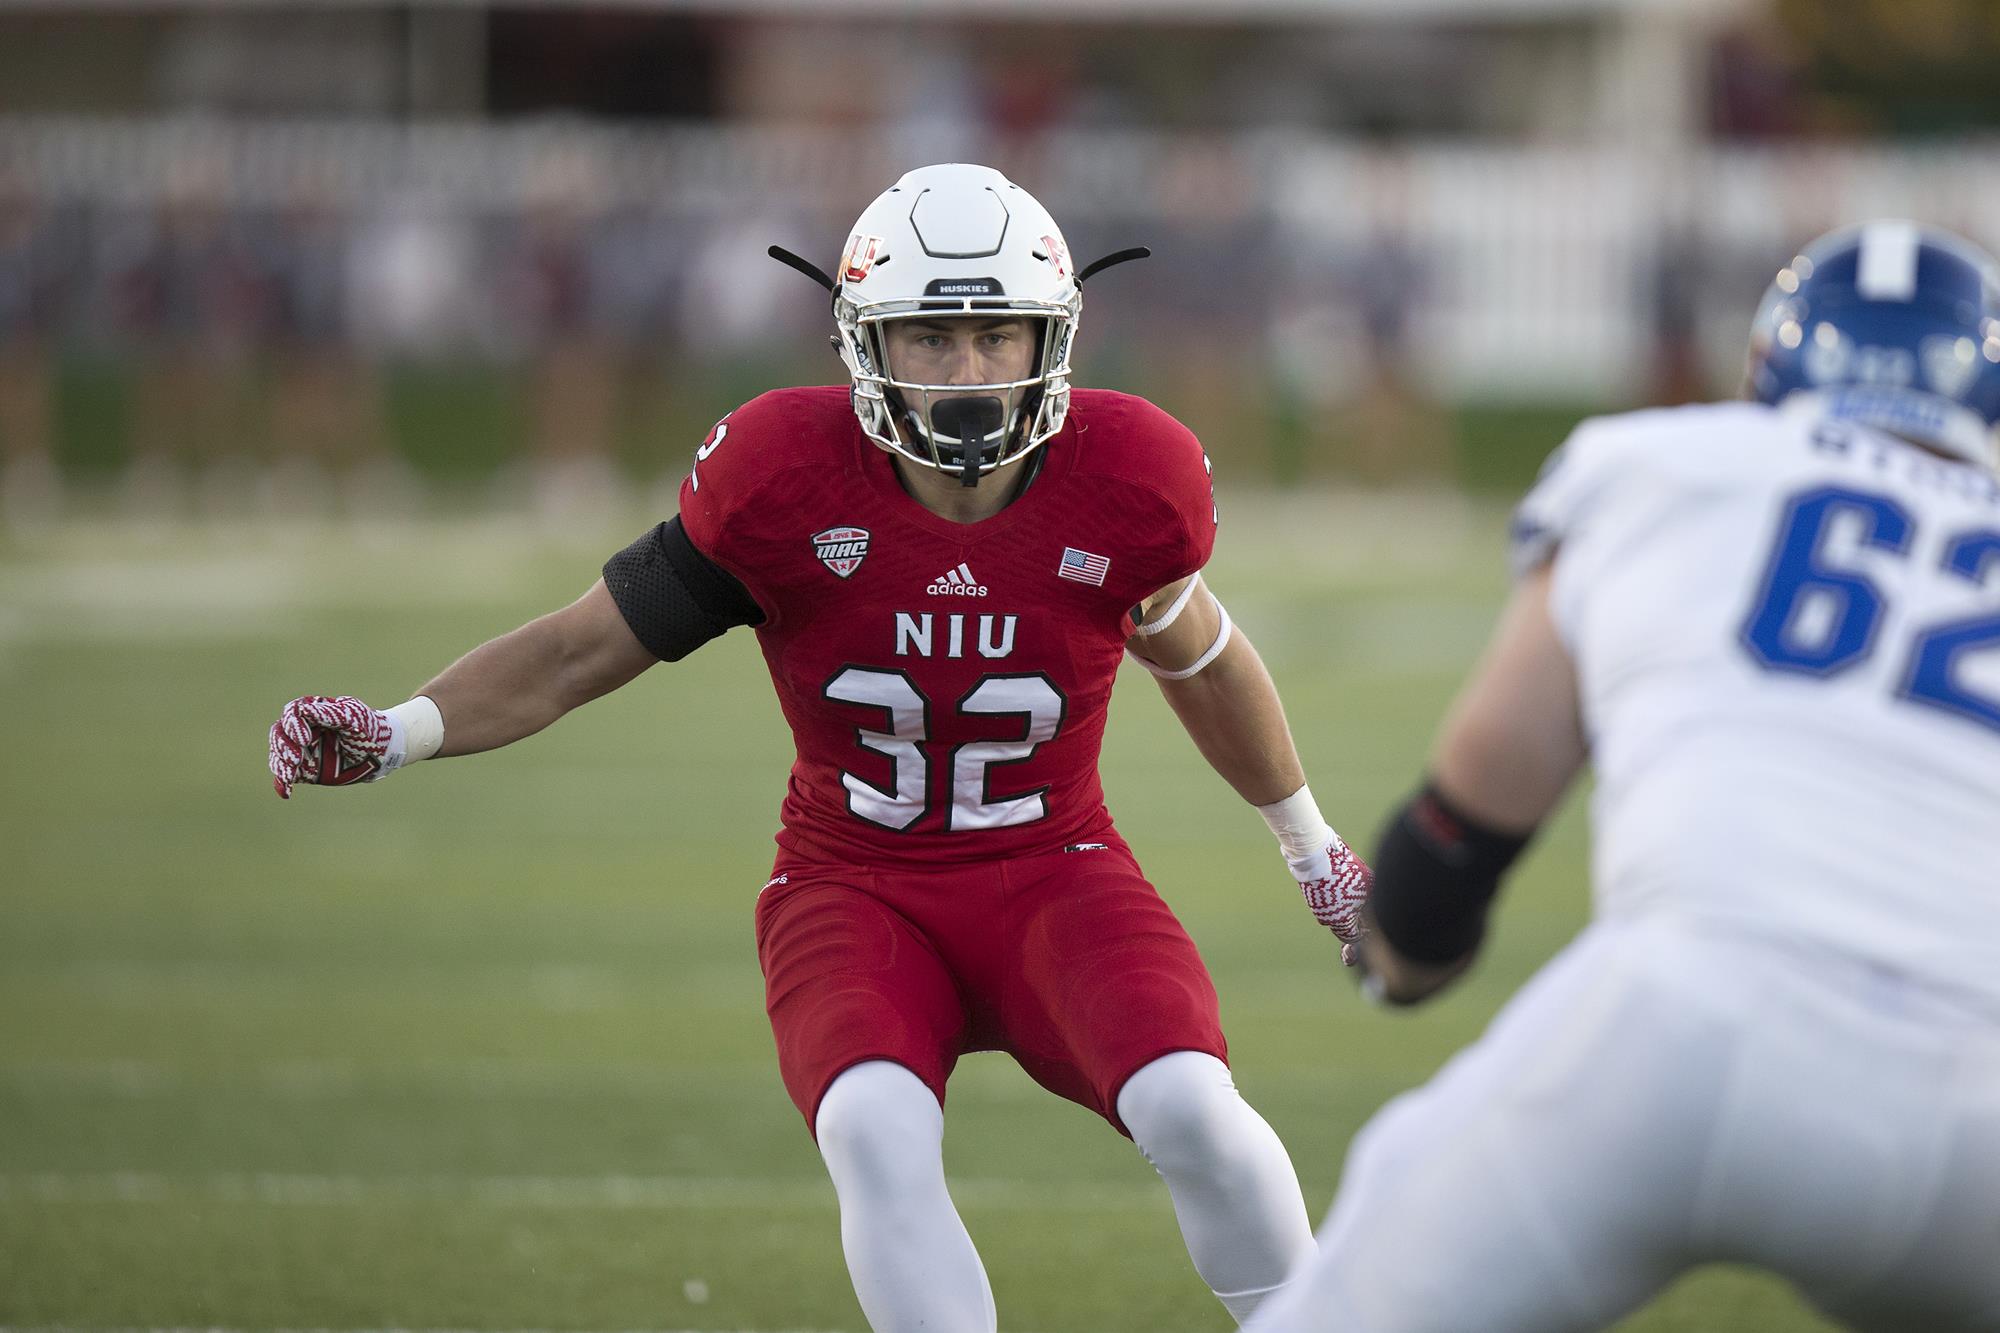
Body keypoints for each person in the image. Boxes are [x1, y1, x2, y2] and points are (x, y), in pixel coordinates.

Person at [267, 163, 1373, 1331]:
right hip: (855, 885)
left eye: (996, 335)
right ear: (860, 342)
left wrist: (1316, 855)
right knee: (871, 1129)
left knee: (1198, 1110)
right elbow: (574, 653)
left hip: (1057, 869)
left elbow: (1201, 660)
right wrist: (397, 731)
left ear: (1052, 336)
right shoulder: (780, 478)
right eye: (926, 339)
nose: (964, 373)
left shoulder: (1128, 480)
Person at [1247, 220, 2000, 1333]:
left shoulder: (1663, 467)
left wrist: (1397, 958)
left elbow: (1466, 820)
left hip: (1685, 1023)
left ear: (1767, 370)